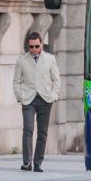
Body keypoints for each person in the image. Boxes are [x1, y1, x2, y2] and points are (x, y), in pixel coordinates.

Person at [12, 32, 61, 172]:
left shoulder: (50, 59)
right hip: (28, 99)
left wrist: (53, 95)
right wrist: (20, 96)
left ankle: (38, 163)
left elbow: (56, 80)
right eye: (31, 46)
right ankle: (27, 163)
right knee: (28, 130)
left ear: (41, 44)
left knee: (42, 132)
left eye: (36, 46)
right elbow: (16, 81)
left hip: (45, 99)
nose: (33, 49)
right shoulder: (21, 60)